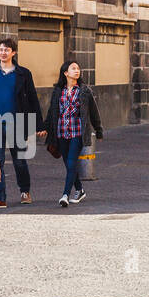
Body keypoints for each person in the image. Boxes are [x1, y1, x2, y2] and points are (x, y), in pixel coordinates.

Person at [0, 37, 42, 209]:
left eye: (6, 50)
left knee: (20, 160)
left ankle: (25, 191)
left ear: (13, 53)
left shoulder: (23, 74)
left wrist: (39, 125)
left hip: (17, 123)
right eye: (1, 49)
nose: (3, 53)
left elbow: (32, 100)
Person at [41, 60, 103, 208]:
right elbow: (52, 112)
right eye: (73, 68)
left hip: (77, 132)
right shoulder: (58, 91)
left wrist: (99, 129)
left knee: (71, 162)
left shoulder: (84, 91)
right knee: (69, 165)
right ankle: (80, 189)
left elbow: (93, 112)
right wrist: (45, 127)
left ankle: (65, 195)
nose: (77, 71)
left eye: (78, 68)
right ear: (65, 73)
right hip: (61, 132)